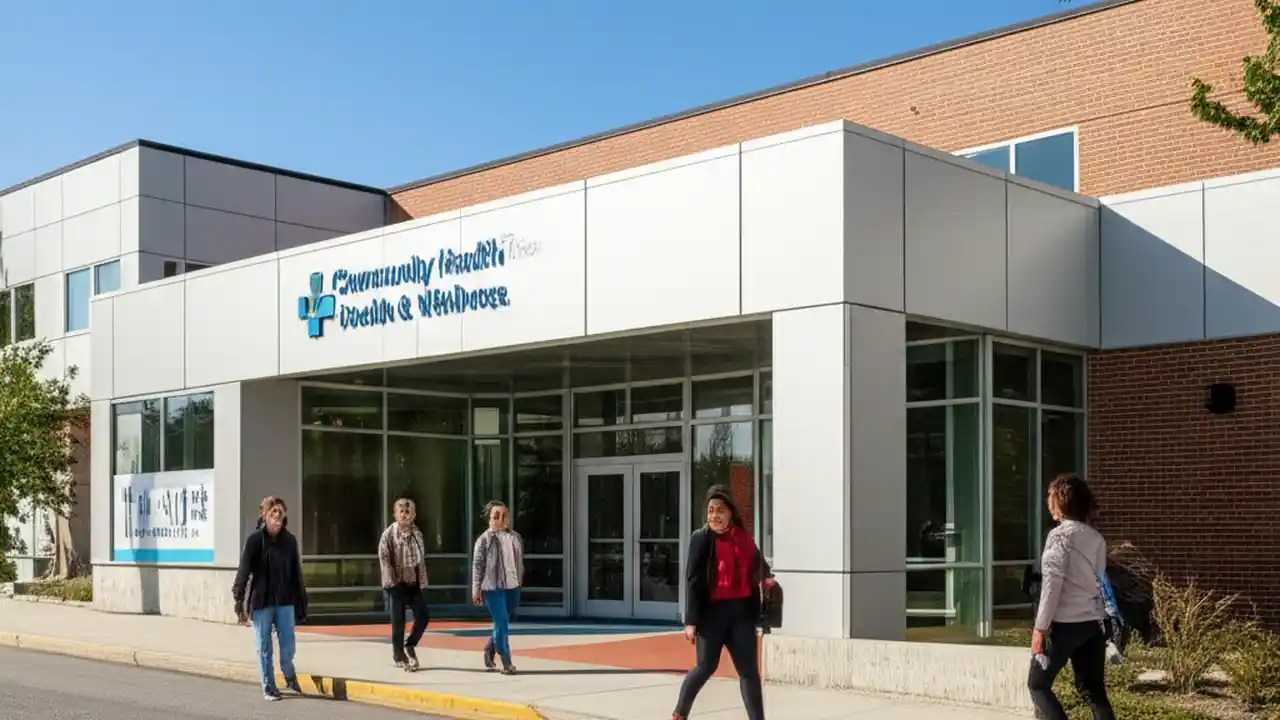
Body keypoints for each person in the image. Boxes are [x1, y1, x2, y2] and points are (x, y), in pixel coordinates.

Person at [672, 485, 771, 720]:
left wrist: (767, 582)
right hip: (711, 615)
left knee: (748, 672)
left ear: (730, 513)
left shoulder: (744, 539)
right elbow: (693, 581)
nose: (715, 515)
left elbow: (759, 567)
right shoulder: (700, 539)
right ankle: (680, 713)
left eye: (720, 510)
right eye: (710, 510)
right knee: (705, 667)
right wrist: (691, 621)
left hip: (741, 614)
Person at [1028, 473, 1115, 720]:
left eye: (1049, 495)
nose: (1047, 501)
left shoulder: (1059, 536)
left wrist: (1040, 628)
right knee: (1095, 693)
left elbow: (1051, 585)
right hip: (1093, 624)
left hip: (1065, 625)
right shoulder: (1095, 537)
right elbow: (1100, 580)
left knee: (1038, 684)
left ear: (1060, 500)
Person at [232, 496, 308, 702]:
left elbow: (296, 573)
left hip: (285, 601)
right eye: (273, 513)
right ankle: (269, 686)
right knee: (264, 646)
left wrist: (302, 601)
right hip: (262, 602)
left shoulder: (289, 541)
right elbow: (244, 570)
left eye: (280, 513)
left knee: (288, 646)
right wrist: (238, 599)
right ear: (265, 515)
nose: (277, 517)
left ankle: (289, 674)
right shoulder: (255, 540)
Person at [471, 500, 523, 675]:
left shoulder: (515, 537)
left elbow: (518, 561)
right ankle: (506, 661)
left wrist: (519, 579)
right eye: (496, 516)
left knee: (503, 623)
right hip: (491, 587)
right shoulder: (484, 540)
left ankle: (489, 649)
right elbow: (478, 565)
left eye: (504, 516)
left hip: (512, 586)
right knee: (501, 622)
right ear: (489, 518)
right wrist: (476, 588)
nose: (500, 519)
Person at [378, 495, 430, 670]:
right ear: (395, 514)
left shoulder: (417, 534)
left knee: (423, 616)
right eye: (402, 512)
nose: (405, 515)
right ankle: (398, 654)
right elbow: (384, 558)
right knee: (398, 620)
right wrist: (391, 580)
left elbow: (420, 559)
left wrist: (421, 581)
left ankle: (411, 644)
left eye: (408, 512)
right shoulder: (389, 535)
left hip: (413, 582)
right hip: (396, 582)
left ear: (413, 515)